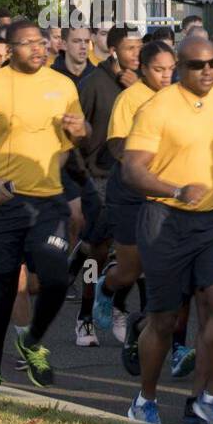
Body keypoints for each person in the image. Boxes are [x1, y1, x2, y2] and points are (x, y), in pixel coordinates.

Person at [121, 36, 213, 424]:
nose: (208, 71)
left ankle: (209, 399)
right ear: (180, 66)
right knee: (165, 318)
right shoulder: (155, 108)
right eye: (197, 65)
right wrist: (174, 190)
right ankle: (146, 398)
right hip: (166, 219)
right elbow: (132, 170)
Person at [0, 19, 88, 388]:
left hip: (46, 202)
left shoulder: (62, 85)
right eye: (27, 43)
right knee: (1, 286)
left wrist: (79, 134)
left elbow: (74, 139)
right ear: (10, 49)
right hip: (1, 202)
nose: (37, 48)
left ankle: (30, 341)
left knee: (57, 277)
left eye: (41, 42)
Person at [92, 42, 176, 352]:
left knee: (162, 266)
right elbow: (116, 148)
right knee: (131, 268)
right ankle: (107, 286)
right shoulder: (131, 99)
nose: (167, 76)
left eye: (171, 69)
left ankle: (166, 341)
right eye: (159, 70)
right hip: (129, 191)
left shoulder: (178, 97)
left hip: (164, 191)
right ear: (142, 69)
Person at [75, 26, 143, 344]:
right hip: (98, 178)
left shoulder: (149, 85)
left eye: (140, 47)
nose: (137, 53)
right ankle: (84, 317)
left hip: (134, 180)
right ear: (114, 51)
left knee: (133, 254)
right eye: (130, 48)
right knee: (97, 252)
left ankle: (119, 308)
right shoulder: (94, 83)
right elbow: (76, 130)